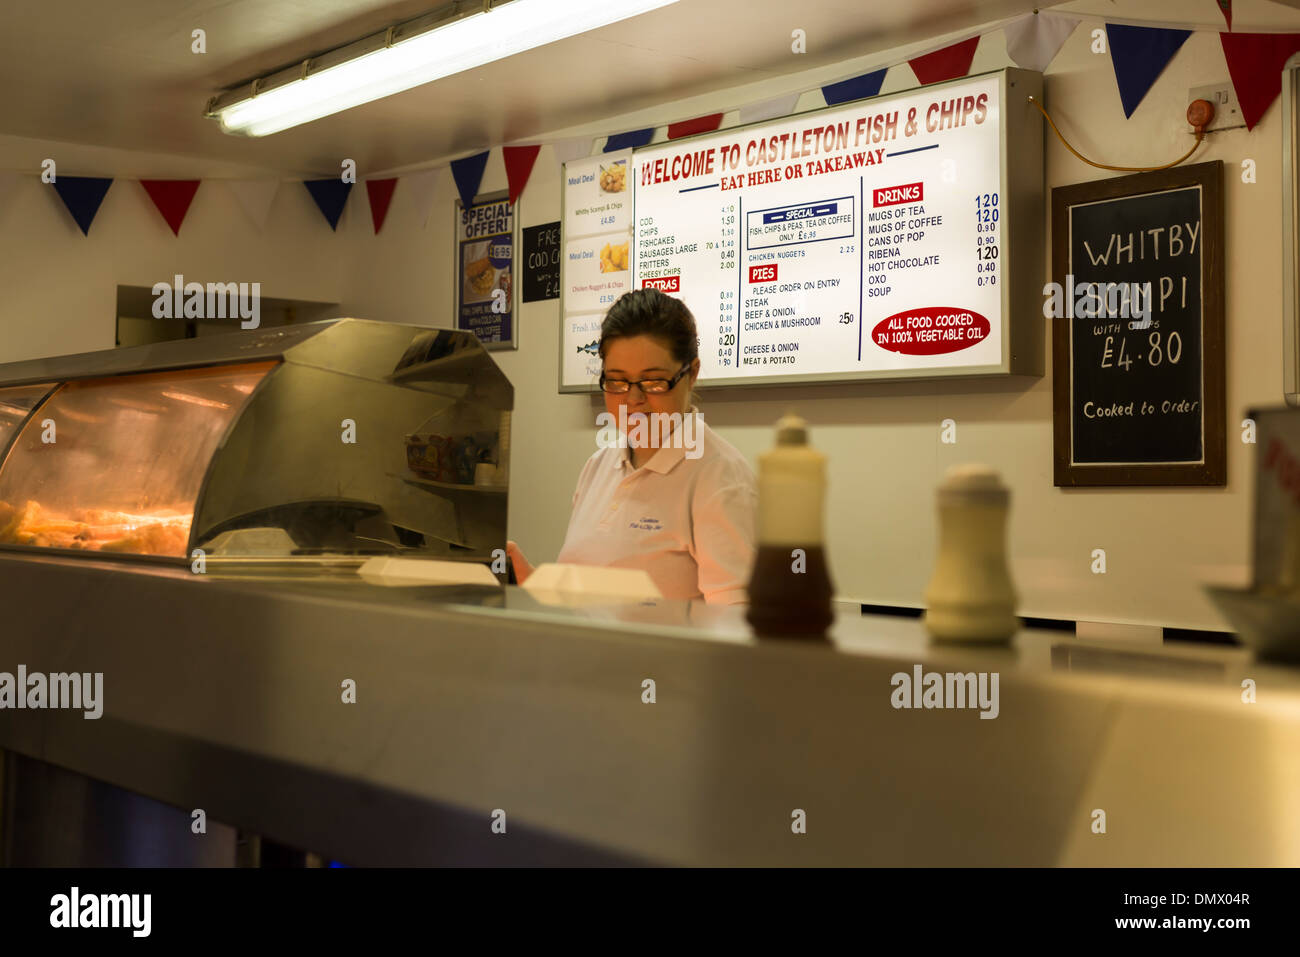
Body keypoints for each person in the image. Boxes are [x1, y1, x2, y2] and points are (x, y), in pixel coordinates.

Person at [507, 288, 757, 604]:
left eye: (654, 382)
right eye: (617, 382)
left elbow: (735, 623)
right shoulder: (599, 465)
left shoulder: (719, 478)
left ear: (691, 374)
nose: (634, 400)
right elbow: (589, 598)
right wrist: (532, 584)